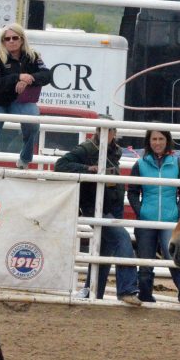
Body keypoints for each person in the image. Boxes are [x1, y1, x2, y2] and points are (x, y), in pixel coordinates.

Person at [54, 118, 141, 306]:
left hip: (110, 206)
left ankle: (92, 292)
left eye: (107, 130)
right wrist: (88, 169)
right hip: (96, 207)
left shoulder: (112, 151)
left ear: (113, 133)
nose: (104, 134)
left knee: (104, 250)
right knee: (122, 238)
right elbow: (60, 165)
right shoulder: (87, 149)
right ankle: (127, 289)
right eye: (101, 130)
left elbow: (62, 164)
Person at [127, 129, 180, 307]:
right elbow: (133, 191)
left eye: (161, 138)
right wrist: (140, 211)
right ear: (149, 142)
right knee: (145, 261)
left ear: (167, 140)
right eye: (154, 139)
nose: (157, 142)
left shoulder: (177, 163)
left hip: (169, 220)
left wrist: (177, 211)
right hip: (146, 219)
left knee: (173, 256)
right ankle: (145, 295)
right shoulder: (140, 164)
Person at [0, 23, 51, 169]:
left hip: (20, 100)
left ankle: (24, 159)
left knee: (33, 124)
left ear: (22, 39)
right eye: (7, 38)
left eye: (15, 37)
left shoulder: (33, 56)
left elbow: (47, 75)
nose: (11, 41)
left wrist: (29, 78)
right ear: (3, 41)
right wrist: (18, 77)